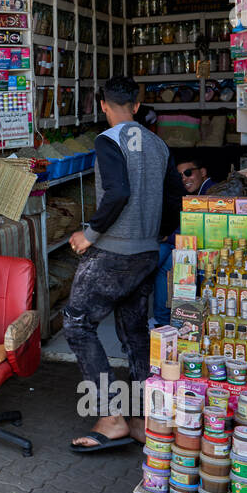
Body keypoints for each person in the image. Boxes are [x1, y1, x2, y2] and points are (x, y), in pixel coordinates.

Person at [67, 77, 184, 452]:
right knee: (134, 333)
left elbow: (118, 192)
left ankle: (111, 416)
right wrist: (156, 234)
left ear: (103, 105)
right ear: (136, 105)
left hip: (115, 253)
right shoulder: (158, 143)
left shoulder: (109, 140)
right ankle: (143, 420)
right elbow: (175, 197)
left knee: (77, 322)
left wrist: (90, 233)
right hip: (147, 252)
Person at [154, 156, 216, 325]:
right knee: (159, 255)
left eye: (188, 173)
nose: (184, 179)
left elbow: (199, 228)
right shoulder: (198, 193)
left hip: (205, 248)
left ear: (202, 172)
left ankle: (162, 320)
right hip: (188, 242)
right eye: (180, 175)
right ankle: (162, 319)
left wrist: (170, 237)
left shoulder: (210, 192)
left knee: (165, 267)